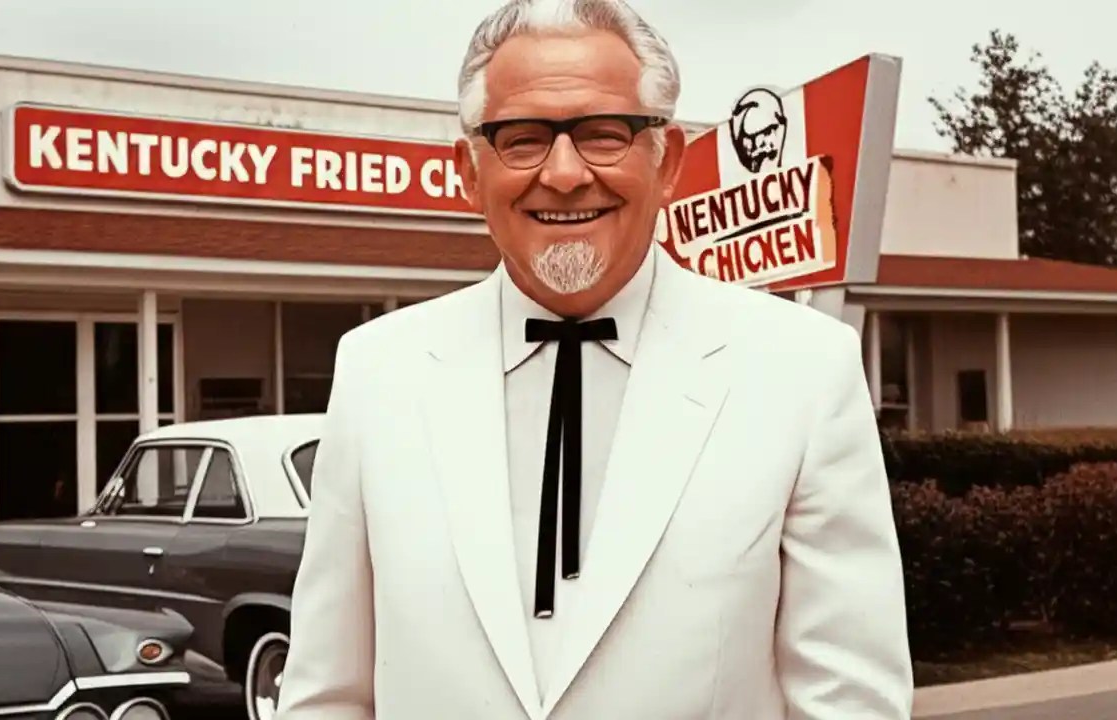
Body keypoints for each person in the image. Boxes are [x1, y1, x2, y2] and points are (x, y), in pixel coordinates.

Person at [274, 0, 913, 717]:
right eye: (522, 140)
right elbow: (327, 695)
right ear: (469, 173)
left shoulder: (802, 369)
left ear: (667, 162)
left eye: (604, 135)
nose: (565, 173)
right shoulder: (376, 373)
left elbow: (849, 702)